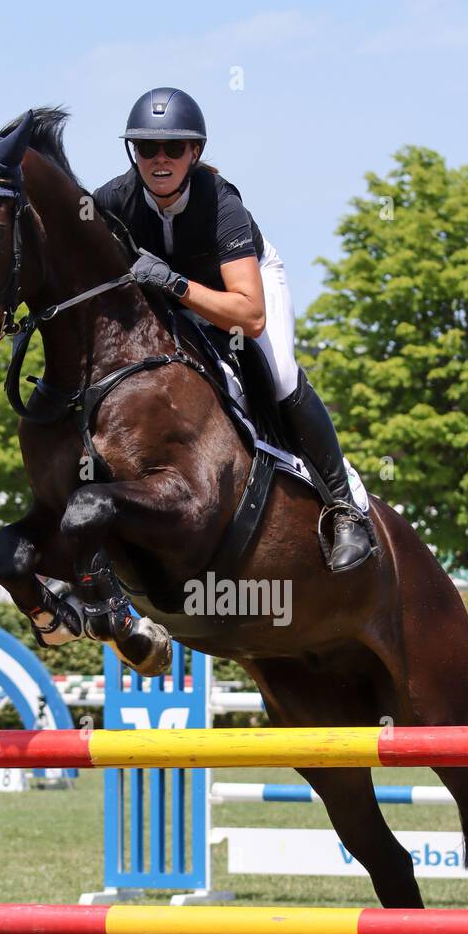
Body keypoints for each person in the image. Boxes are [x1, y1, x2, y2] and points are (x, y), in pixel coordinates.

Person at [93, 87, 375, 573]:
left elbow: (249, 314)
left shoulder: (221, 203)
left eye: (174, 148)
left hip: (246, 289)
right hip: (174, 298)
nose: (160, 159)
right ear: (132, 153)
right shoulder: (111, 201)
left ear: (195, 152)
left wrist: (174, 283)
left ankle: (346, 508)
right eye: (146, 148)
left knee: (281, 375)